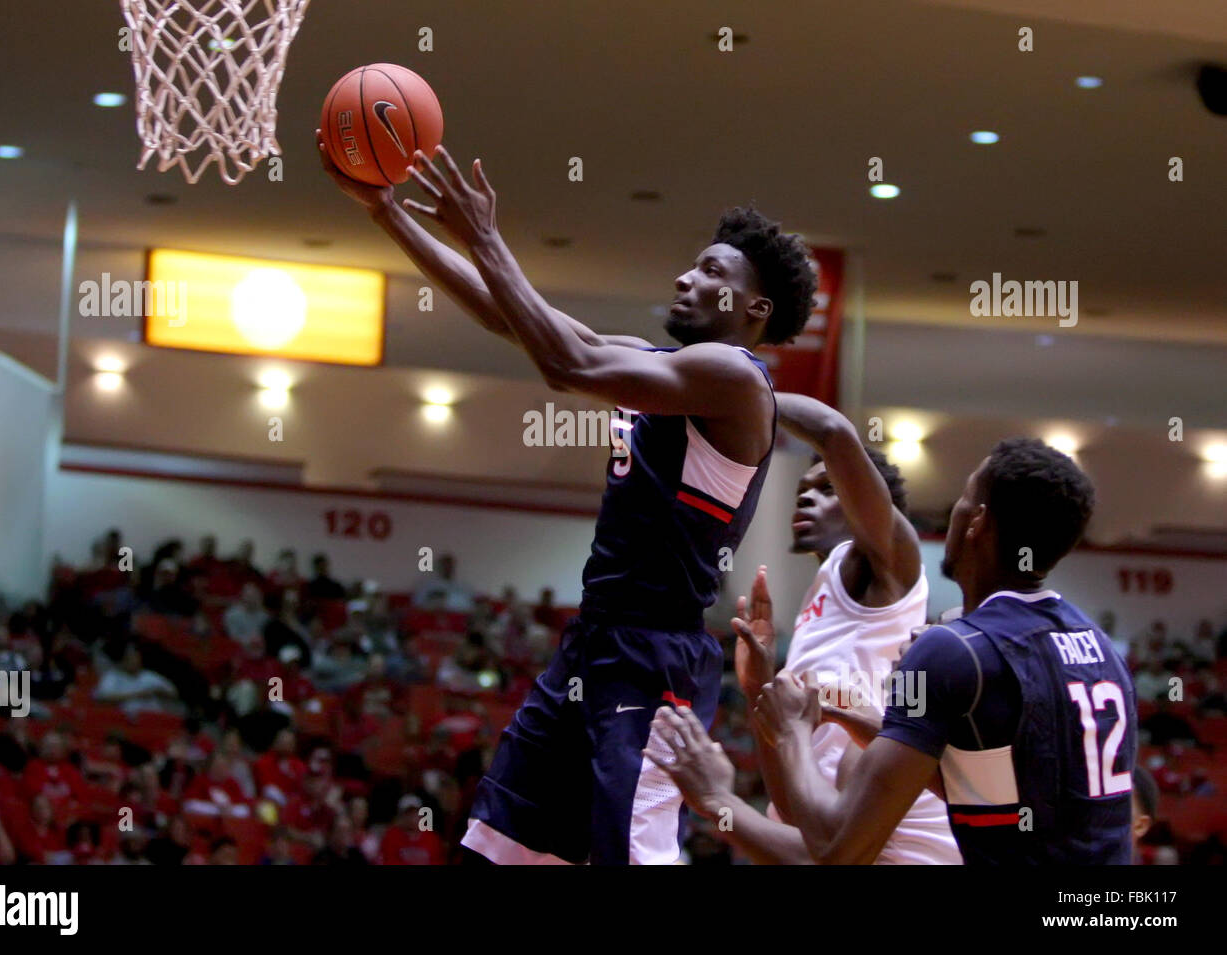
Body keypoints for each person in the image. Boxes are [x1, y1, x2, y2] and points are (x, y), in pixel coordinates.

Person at [320, 137, 817, 864]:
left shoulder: (737, 382)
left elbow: (566, 363)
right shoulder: (663, 368)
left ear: (753, 307)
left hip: (654, 660)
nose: (684, 275)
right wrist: (387, 213)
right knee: (499, 847)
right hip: (595, 642)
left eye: (709, 270)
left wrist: (487, 234)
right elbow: (512, 317)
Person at [652, 437, 1136, 864]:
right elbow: (997, 792)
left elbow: (835, 853)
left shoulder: (952, 650)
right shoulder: (1098, 648)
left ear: (977, 522)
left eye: (962, 500)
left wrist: (717, 797)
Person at [722, 395, 959, 863]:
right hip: (821, 814)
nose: (807, 495)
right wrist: (758, 686)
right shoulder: (822, 593)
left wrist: (745, 387)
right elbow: (790, 808)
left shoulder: (893, 571)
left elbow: (834, 434)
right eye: (803, 489)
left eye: (829, 487)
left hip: (876, 816)